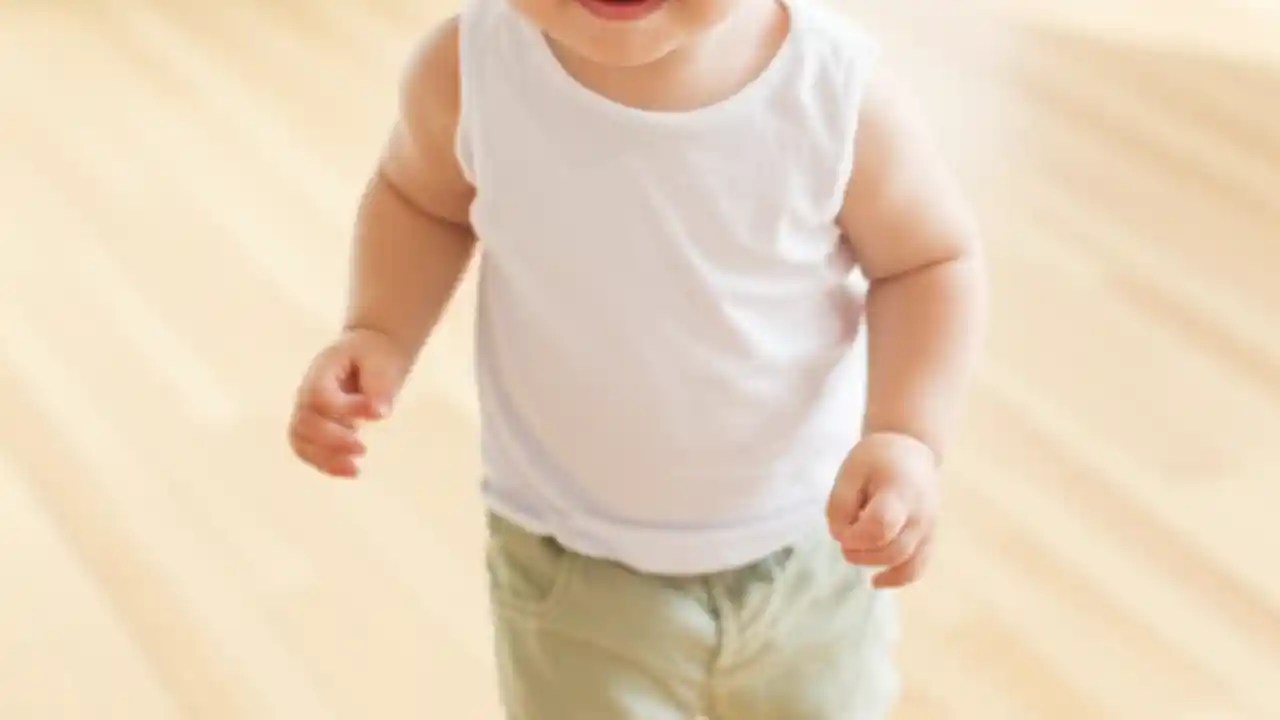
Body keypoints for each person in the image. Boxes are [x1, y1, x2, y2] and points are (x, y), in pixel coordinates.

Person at [288, 0, 985, 715]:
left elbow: (927, 261)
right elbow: (419, 199)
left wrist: (906, 432)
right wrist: (378, 330)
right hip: (573, 568)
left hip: (809, 553)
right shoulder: (468, 72)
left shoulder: (834, 90)